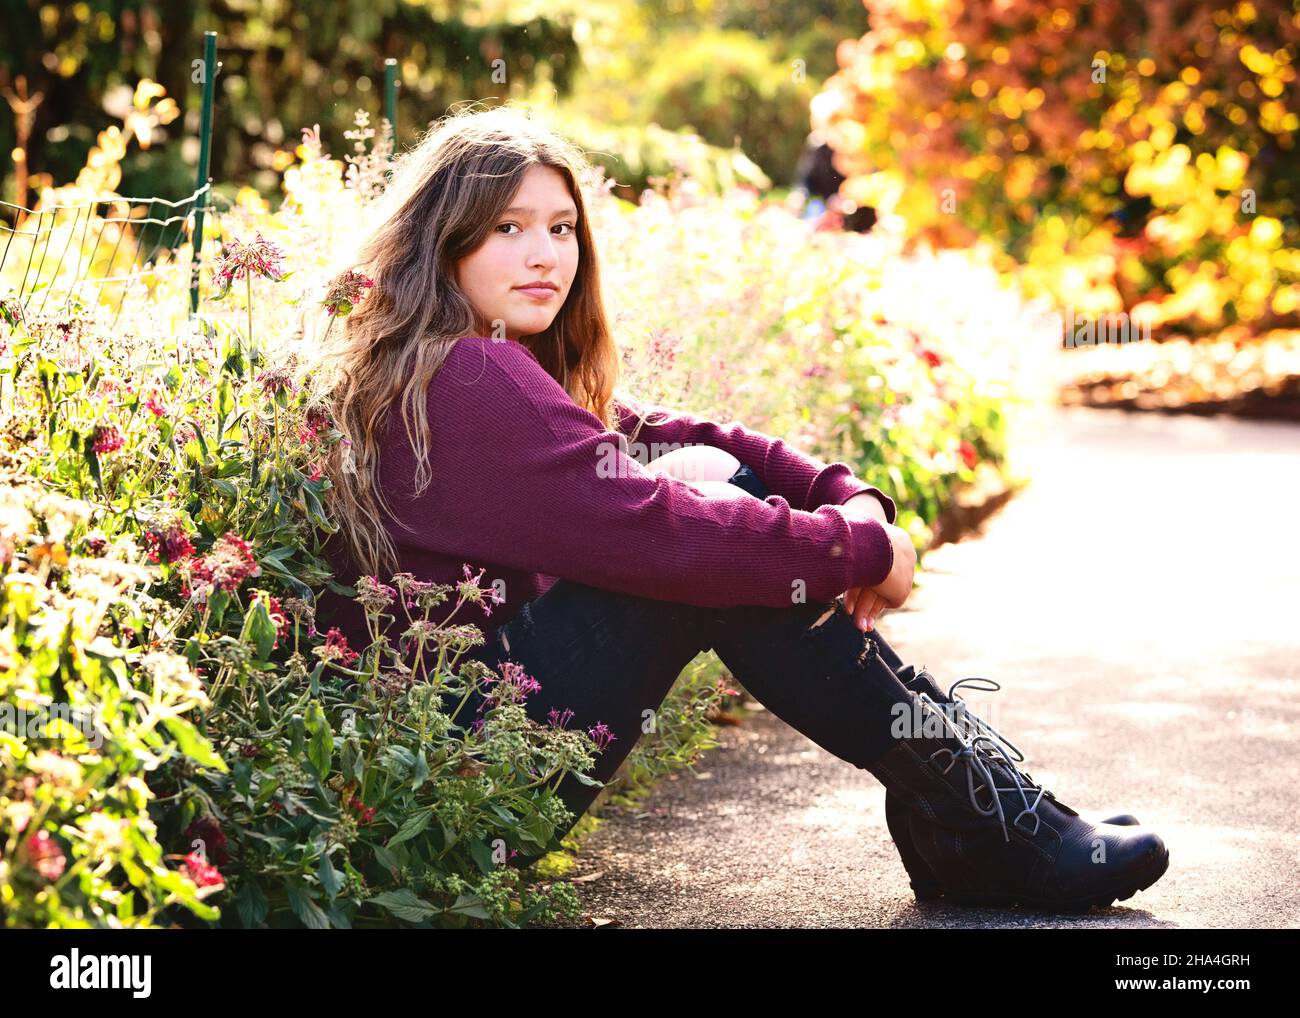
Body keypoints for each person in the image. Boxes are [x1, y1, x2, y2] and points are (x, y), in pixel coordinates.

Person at [309, 104, 1168, 913]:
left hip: (444, 768)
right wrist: (855, 552)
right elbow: (667, 535)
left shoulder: (461, 363)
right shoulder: (466, 375)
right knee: (698, 554)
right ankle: (980, 823)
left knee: (719, 508)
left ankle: (975, 819)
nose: (545, 255)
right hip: (432, 807)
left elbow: (669, 432)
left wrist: (849, 500)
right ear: (445, 240)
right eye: (508, 228)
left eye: (562, 228)